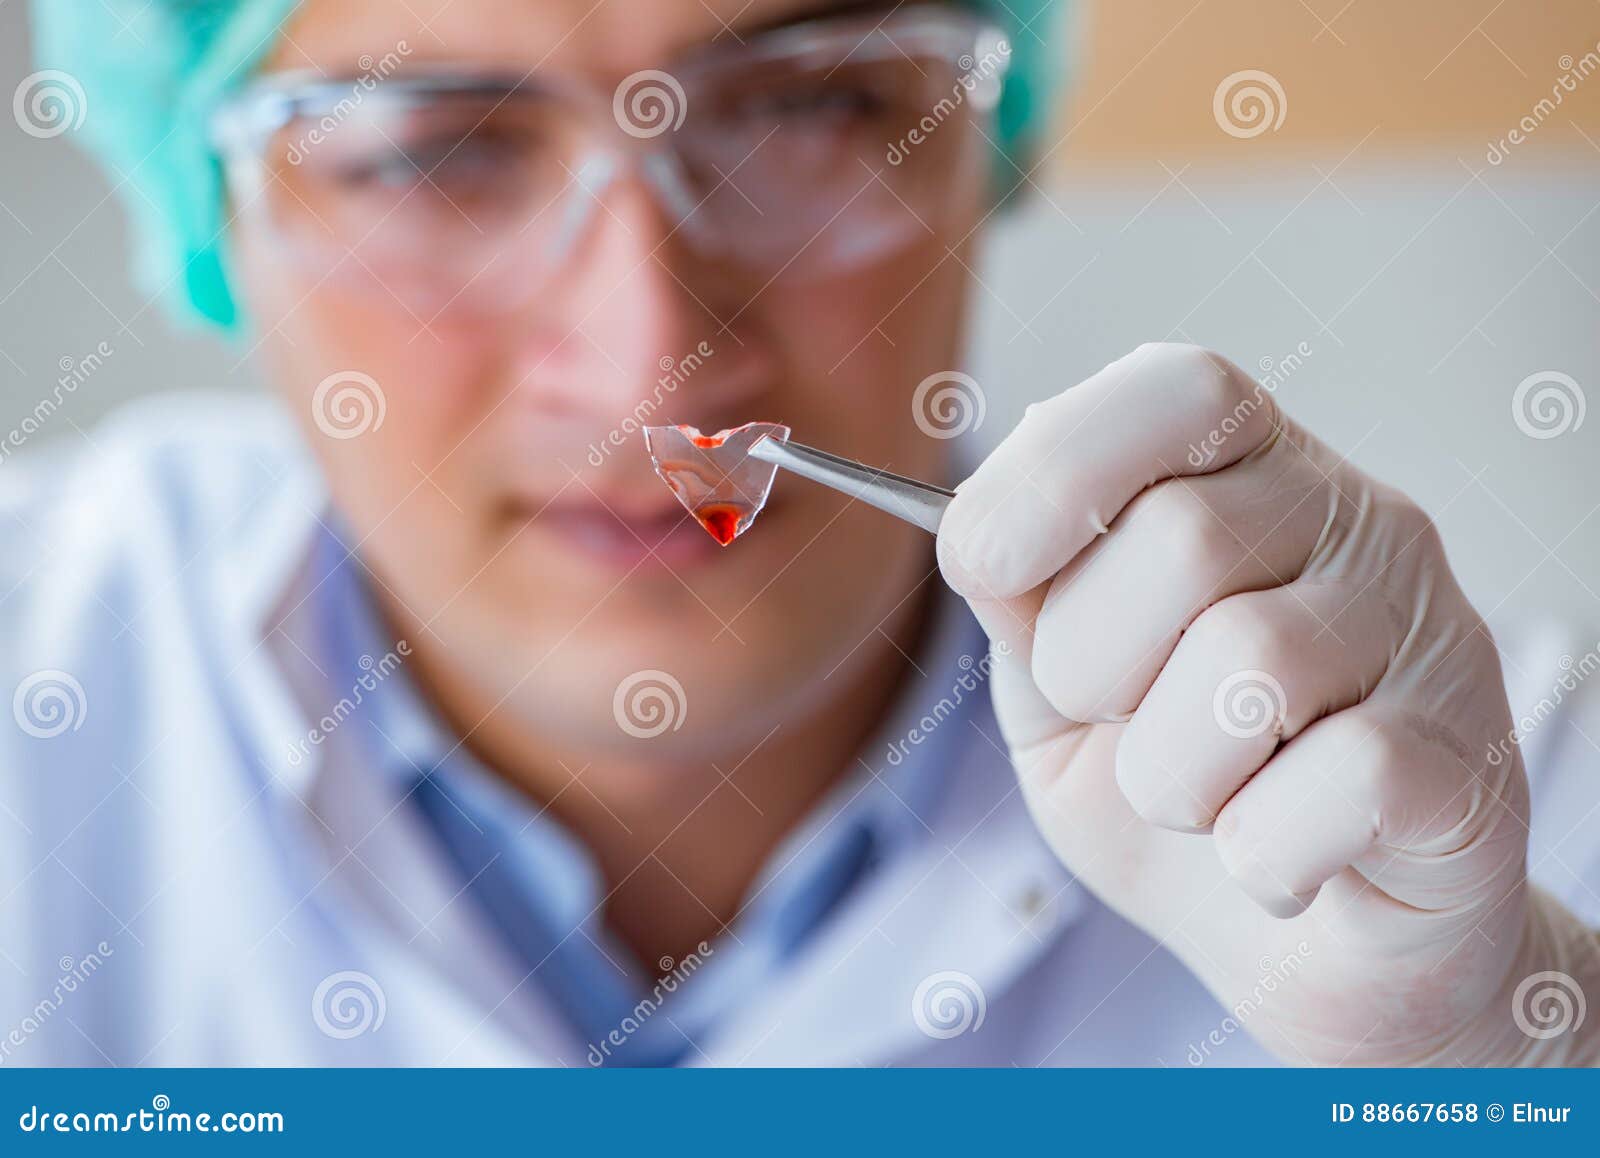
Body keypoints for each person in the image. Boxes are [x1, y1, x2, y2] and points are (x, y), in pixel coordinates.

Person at [2, 0, 1596, 1067]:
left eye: (813, 108)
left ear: (991, 132)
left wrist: (1505, 1057)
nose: (654, 364)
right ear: (217, 213)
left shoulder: (1459, 806)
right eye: (434, 146)